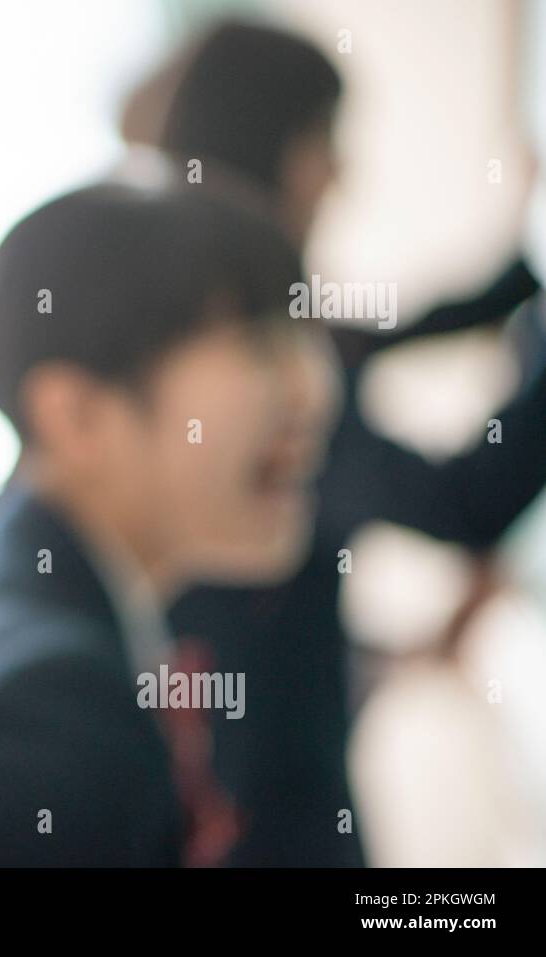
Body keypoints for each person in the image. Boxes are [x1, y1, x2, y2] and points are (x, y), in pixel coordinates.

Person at [0, 179, 342, 865]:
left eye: (302, 338)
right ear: (77, 416)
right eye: (258, 345)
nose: (315, 387)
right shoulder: (48, 709)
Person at [126, 18, 546, 865]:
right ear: (278, 148)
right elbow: (462, 499)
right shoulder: (267, 355)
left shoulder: (197, 314)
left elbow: (380, 334)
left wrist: (522, 276)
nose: (342, 173)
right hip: (263, 794)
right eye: (327, 141)